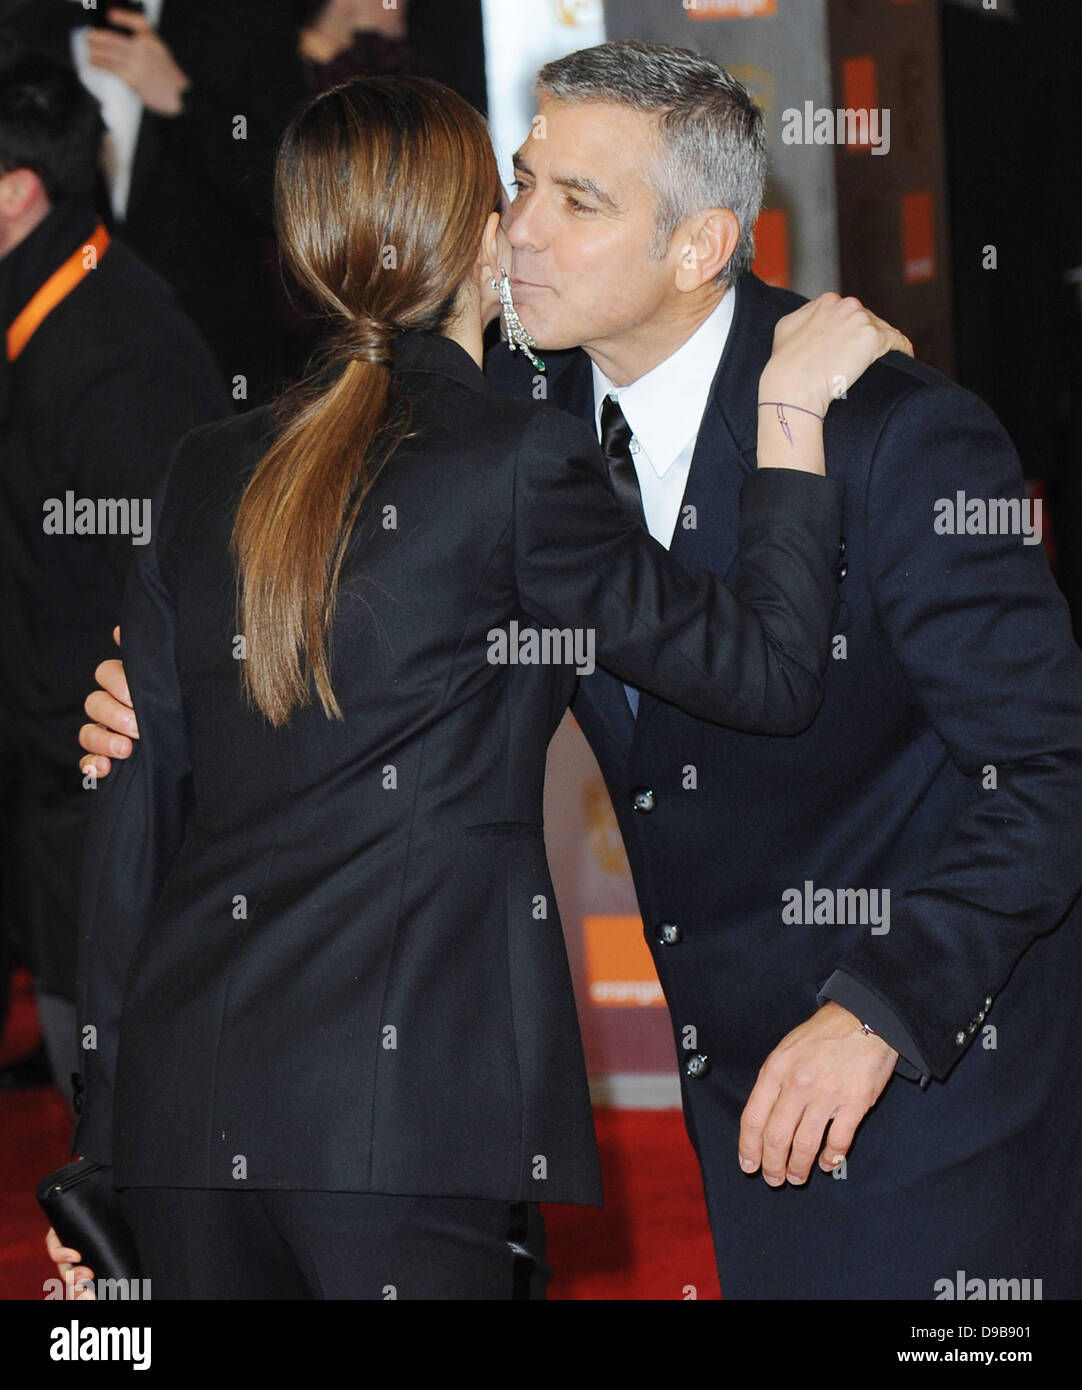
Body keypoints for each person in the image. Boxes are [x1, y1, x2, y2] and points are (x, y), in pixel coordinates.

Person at [81, 38, 1082, 1302]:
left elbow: (1045, 771)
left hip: (927, 1072)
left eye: (577, 201)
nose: (517, 231)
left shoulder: (895, 434)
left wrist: (879, 1007)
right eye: (519, 181)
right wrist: (152, 697)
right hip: (723, 1088)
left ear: (700, 246)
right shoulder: (515, 428)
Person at [0, 41, 229, 1108]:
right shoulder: (43, 295)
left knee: (120, 1115)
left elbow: (179, 588)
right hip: (49, 788)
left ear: (15, 190)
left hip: (99, 805)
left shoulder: (115, 345)